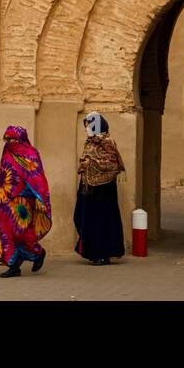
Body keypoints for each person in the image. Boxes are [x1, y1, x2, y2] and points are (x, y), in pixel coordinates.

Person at [0, 125, 52, 277]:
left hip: (23, 200)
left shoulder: (31, 154)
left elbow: (37, 177)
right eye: (7, 139)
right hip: (5, 201)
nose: (10, 142)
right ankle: (13, 266)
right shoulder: (7, 151)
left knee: (22, 233)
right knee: (5, 232)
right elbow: (2, 177)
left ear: (21, 139)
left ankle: (38, 253)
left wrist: (40, 198)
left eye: (13, 139)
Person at [73, 112, 126, 265]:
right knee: (81, 217)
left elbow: (112, 164)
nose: (86, 128)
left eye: (90, 125)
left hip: (103, 190)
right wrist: (85, 164)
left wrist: (92, 164)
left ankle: (102, 254)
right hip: (87, 188)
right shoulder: (89, 142)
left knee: (102, 221)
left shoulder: (107, 142)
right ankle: (92, 251)